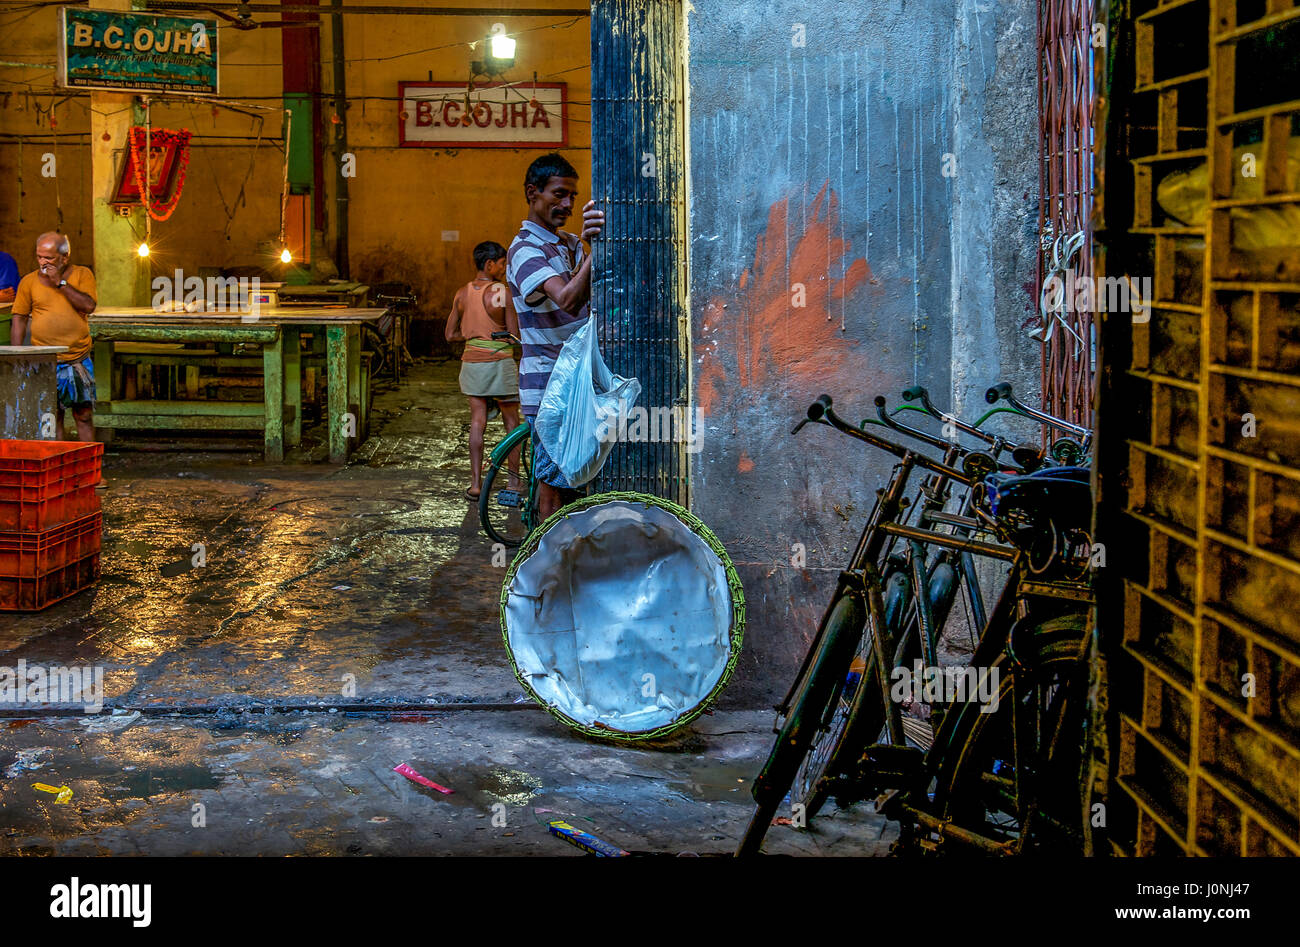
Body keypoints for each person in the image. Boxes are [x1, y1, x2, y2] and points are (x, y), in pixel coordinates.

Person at [506, 154, 605, 522]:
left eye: (573, 198)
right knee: (552, 487)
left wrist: (589, 247)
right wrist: (596, 251)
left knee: (571, 481)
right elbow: (566, 297)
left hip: (576, 383)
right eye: (559, 194)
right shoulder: (523, 250)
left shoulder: (567, 245)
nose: (567, 205)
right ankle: (546, 569)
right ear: (533, 193)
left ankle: (563, 564)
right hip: (548, 387)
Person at [9, 233, 101, 457]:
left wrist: (60, 283)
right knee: (52, 416)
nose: (43, 262)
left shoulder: (82, 274)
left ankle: (91, 468)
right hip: (45, 362)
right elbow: (19, 318)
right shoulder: (28, 282)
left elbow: (88, 306)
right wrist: (16, 355)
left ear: (64, 257)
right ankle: (59, 469)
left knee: (84, 414)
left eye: (49, 258)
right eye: (40, 257)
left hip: (77, 360)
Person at [446, 240, 523, 500]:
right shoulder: (501, 291)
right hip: (499, 363)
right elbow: (513, 335)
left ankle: (476, 485)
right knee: (511, 422)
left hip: (471, 364)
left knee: (477, 421)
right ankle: (513, 482)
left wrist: (474, 337)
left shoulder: (461, 293)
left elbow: (450, 334)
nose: (504, 269)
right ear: (490, 264)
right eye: (502, 264)